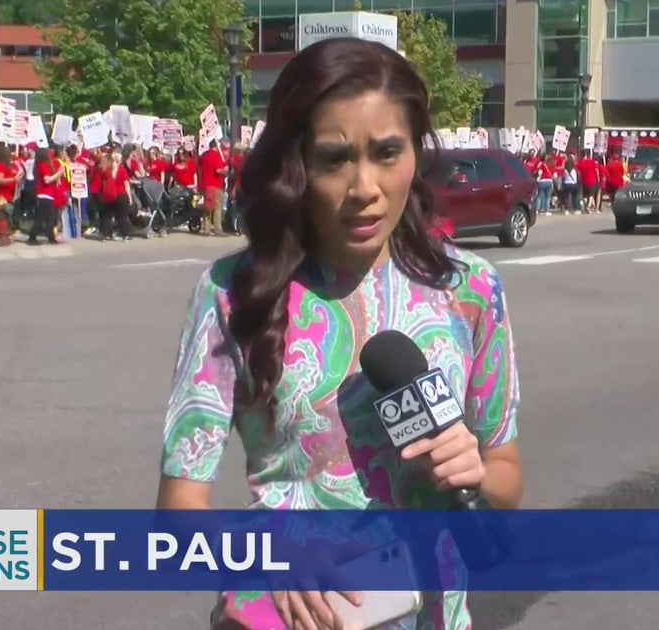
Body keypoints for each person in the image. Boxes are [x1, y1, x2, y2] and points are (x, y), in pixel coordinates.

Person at [157, 37, 523, 630]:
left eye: (386, 152)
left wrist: (474, 471)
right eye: (334, 158)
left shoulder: (471, 290)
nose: (364, 188)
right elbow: (179, 513)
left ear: (415, 154)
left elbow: (506, 476)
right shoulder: (232, 294)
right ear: (296, 163)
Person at [199, 139, 227, 236]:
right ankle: (217, 228)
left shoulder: (205, 156)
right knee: (217, 207)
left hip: (206, 185)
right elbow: (218, 170)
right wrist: (226, 169)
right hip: (215, 185)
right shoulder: (215, 156)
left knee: (207, 207)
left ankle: (206, 228)